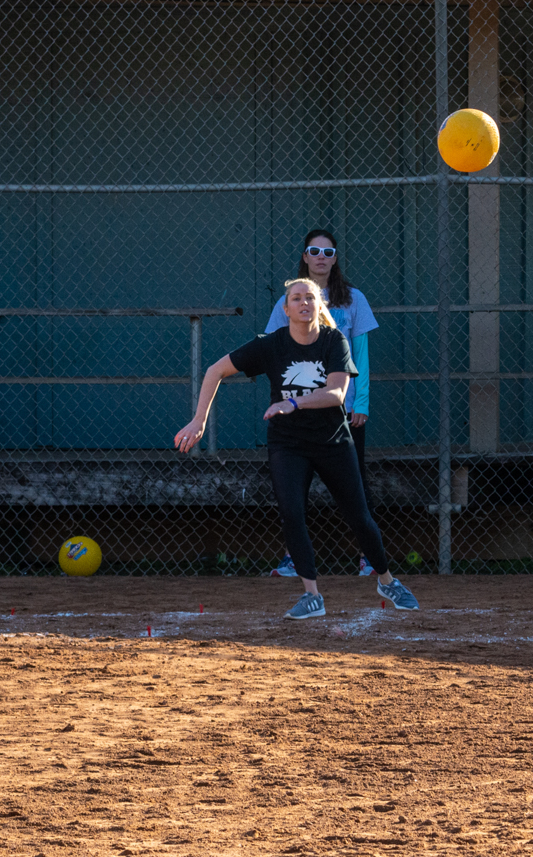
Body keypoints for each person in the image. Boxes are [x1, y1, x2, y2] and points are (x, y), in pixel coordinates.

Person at [175, 277, 417, 620]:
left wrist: (294, 403)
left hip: (332, 439)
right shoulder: (271, 345)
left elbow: (335, 394)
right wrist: (199, 420)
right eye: (296, 298)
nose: (304, 303)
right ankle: (311, 595)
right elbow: (215, 370)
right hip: (288, 444)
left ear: (319, 306)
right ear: (286, 308)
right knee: (292, 513)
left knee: (359, 517)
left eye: (310, 298)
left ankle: (387, 580)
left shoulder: (334, 341)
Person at [263, 230, 380, 578]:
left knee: (354, 484)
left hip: (341, 411)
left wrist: (361, 402)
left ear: (335, 258)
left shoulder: (353, 299)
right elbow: (274, 351)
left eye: (328, 252)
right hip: (298, 412)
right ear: (304, 256)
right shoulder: (289, 300)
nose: (321, 257)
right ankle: (292, 558)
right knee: (293, 488)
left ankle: (369, 558)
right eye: (314, 251)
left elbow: (361, 355)